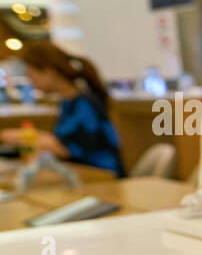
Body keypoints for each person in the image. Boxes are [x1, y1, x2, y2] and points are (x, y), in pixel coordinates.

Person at [0, 42, 125, 177]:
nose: (31, 80)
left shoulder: (84, 103)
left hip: (102, 178)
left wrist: (13, 136)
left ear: (49, 72)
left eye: (32, 74)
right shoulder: (69, 102)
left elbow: (65, 147)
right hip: (83, 175)